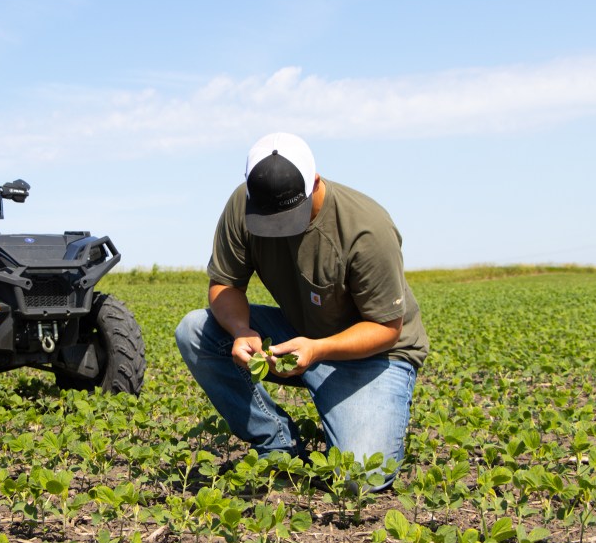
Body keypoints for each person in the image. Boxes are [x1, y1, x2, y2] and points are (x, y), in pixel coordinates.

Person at [174, 132, 429, 491]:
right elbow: (225, 284)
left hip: (375, 353)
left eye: (290, 215)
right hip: (299, 333)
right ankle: (277, 443)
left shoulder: (366, 229)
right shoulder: (242, 205)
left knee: (357, 479)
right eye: (269, 217)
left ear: (315, 183)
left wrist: (318, 349)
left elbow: (386, 327)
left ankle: (351, 414)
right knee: (196, 330)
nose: (278, 226)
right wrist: (240, 330)